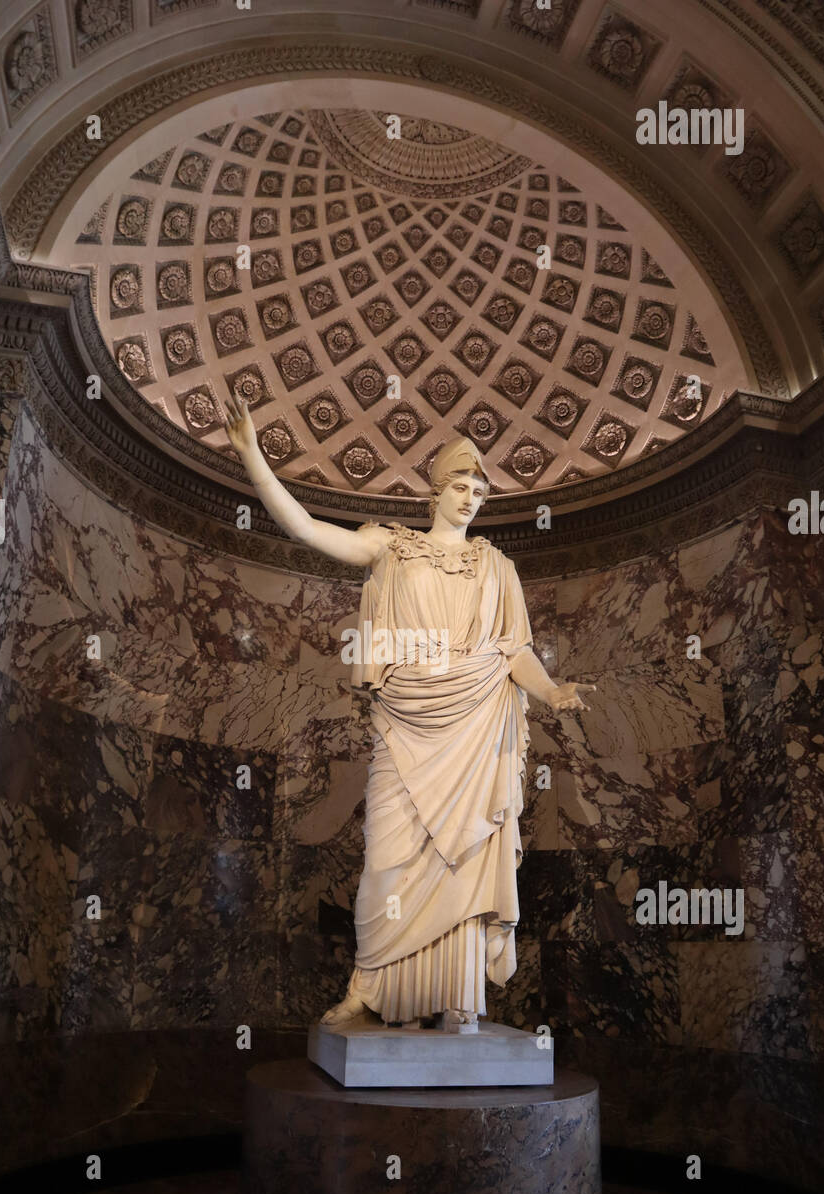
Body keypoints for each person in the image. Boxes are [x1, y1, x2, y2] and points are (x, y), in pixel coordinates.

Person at [225, 398, 595, 1030]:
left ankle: (457, 998)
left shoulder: (496, 567)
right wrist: (256, 461)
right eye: (460, 484)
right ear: (435, 490)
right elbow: (313, 532)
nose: (471, 497)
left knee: (466, 853)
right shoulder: (391, 547)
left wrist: (552, 691)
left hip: (475, 723)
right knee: (385, 864)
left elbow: (514, 650)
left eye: (480, 489)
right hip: (407, 723)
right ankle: (369, 989)